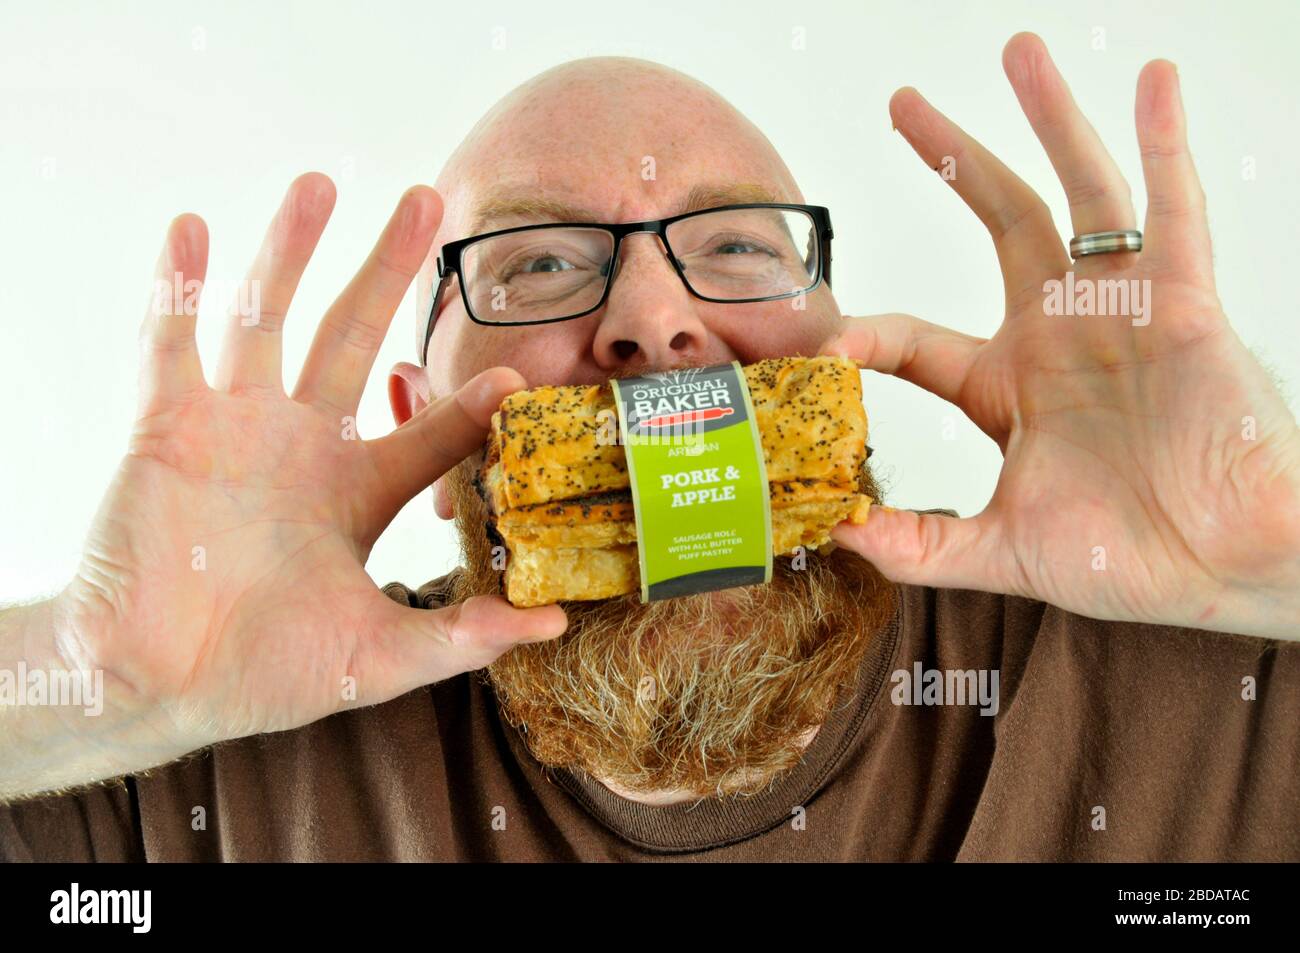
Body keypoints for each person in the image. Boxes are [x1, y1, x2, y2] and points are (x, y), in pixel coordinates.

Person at [1, 33, 1297, 861]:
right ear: (415, 416)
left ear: (838, 347)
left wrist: (1273, 545)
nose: (654, 321)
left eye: (735, 246)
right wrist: (98, 678)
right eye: (540, 262)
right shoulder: (199, 762)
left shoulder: (1209, 686)